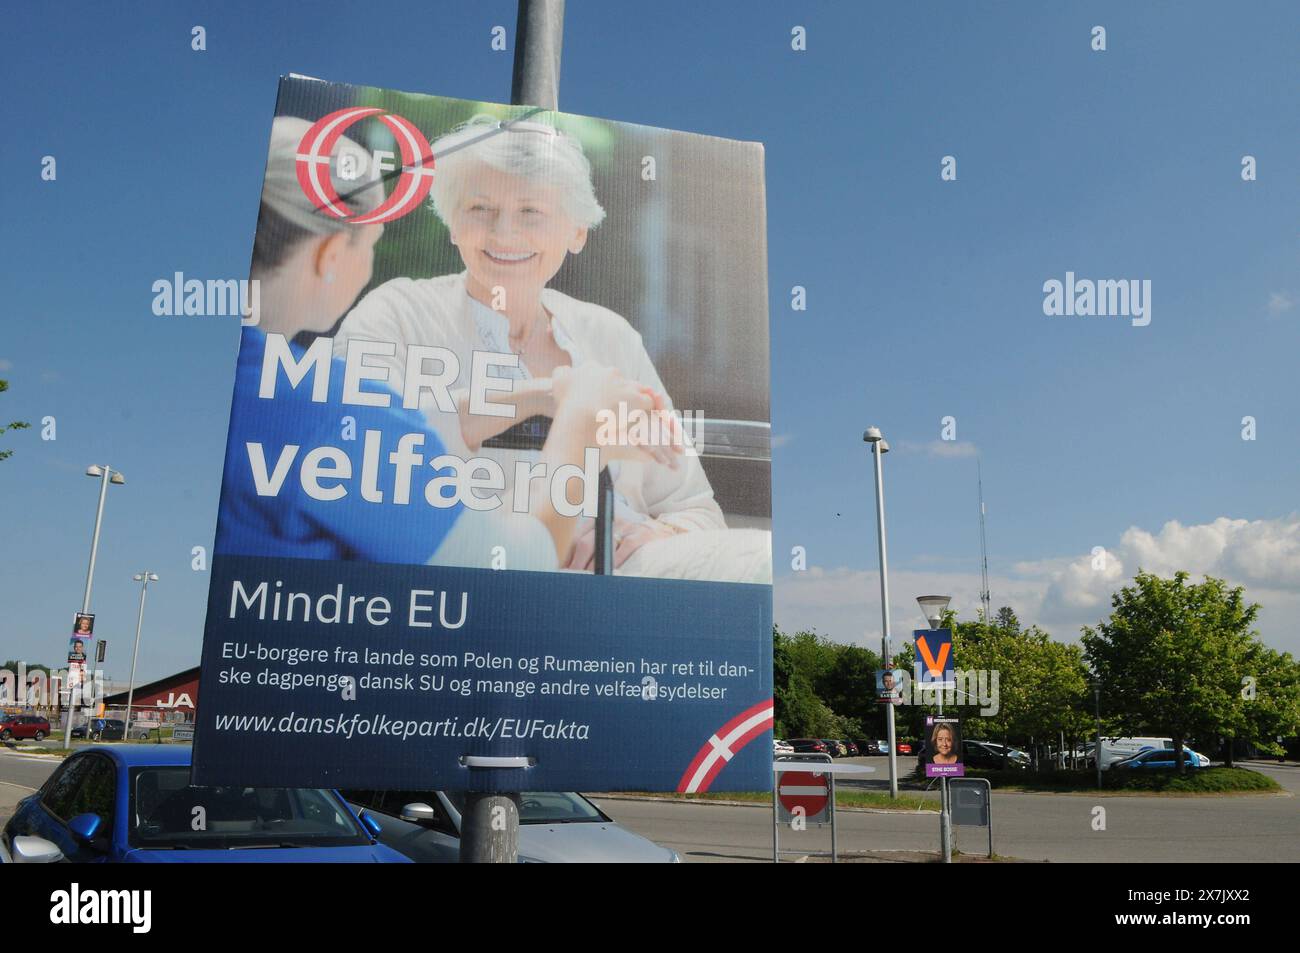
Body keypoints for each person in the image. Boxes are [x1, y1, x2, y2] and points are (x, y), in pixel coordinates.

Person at [333, 116, 770, 581]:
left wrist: (647, 537)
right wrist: (555, 394)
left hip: (629, 576)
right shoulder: (396, 314)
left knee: (760, 559)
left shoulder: (610, 335)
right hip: (484, 584)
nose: (504, 232)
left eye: (531, 212)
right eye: (480, 208)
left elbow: (694, 509)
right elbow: (358, 448)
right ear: (453, 224)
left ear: (576, 231)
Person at [216, 117, 657, 570]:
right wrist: (580, 417)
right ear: (330, 255)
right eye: (372, 242)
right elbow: (521, 563)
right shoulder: (320, 406)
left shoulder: (226, 382)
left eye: (530, 211)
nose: (504, 232)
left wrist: (539, 394)